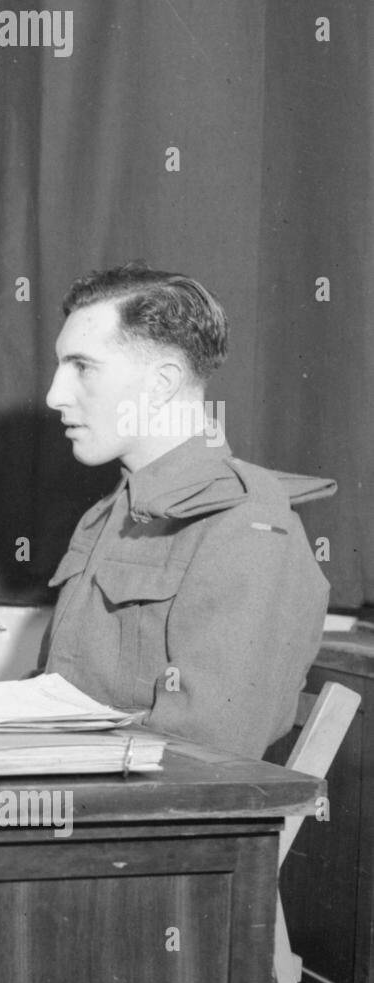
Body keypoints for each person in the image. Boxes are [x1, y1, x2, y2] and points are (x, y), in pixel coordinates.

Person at [42, 263, 333, 760]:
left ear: (162, 382)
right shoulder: (117, 511)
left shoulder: (246, 523)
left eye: (82, 367)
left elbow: (206, 757)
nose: (54, 395)